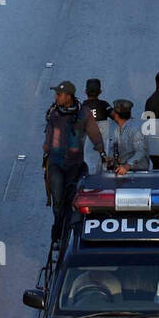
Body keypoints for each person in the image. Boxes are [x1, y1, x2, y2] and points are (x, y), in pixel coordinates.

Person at [43, 81, 105, 243]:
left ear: (68, 96)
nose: (56, 97)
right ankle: (57, 234)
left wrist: (103, 152)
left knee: (73, 201)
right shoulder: (53, 112)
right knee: (57, 202)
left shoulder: (83, 113)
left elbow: (95, 135)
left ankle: (70, 232)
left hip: (75, 164)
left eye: (59, 94)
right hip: (55, 163)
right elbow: (48, 136)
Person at [108, 99, 149, 176]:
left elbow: (141, 151)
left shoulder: (136, 128)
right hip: (120, 169)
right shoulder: (113, 126)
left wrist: (127, 166)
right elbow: (112, 146)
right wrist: (110, 158)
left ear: (116, 115)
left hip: (137, 171)